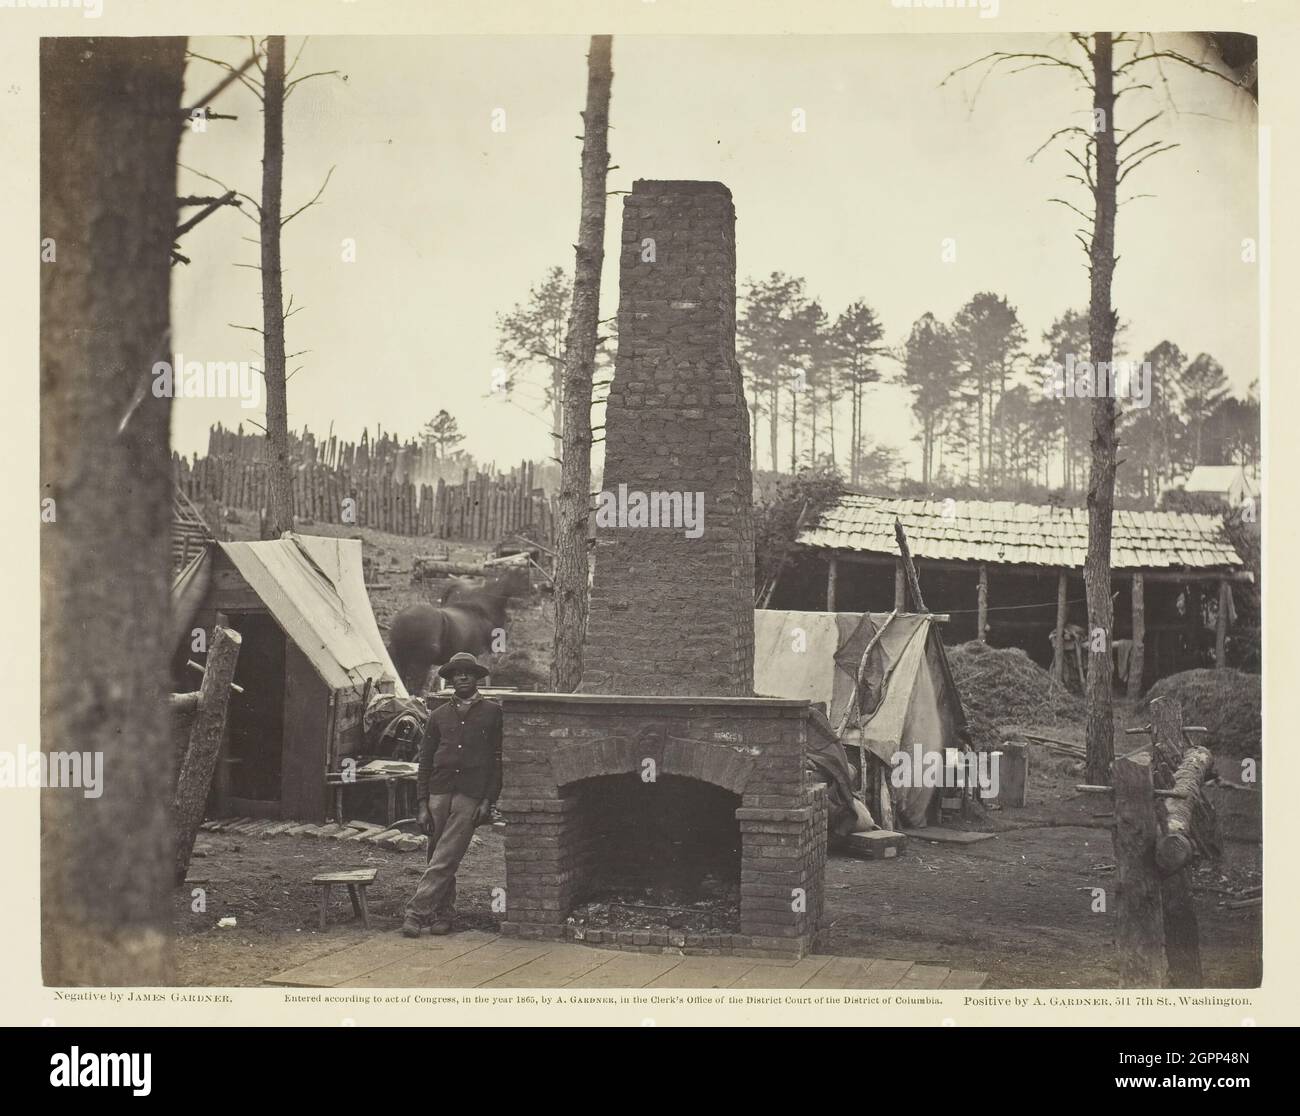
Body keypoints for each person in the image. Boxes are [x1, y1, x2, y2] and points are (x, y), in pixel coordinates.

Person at [401, 651, 502, 937]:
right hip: (438, 791)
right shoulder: (438, 715)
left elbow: (497, 760)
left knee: (447, 854)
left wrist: (488, 801)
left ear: (477, 678)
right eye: (456, 673)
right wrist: (422, 804)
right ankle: (444, 913)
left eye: (468, 673)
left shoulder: (493, 713)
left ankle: (415, 912)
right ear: (449, 679)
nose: (462, 677)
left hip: (470, 794)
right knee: (436, 853)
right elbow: (425, 761)